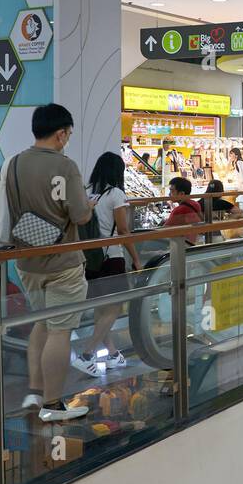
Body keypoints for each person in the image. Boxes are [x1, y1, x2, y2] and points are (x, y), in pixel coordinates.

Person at [1, 103, 93, 422]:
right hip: (62, 261)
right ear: (60, 133)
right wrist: (88, 207)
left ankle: (35, 392)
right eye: (67, 133)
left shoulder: (13, 164)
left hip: (26, 261)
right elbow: (80, 214)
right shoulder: (65, 166)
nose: (67, 138)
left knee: (41, 322)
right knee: (60, 330)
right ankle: (53, 405)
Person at [71, 152, 143, 377]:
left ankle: (112, 354)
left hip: (90, 258)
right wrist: (137, 259)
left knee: (101, 309)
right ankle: (86, 354)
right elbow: (123, 230)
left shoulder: (86, 191)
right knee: (114, 308)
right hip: (111, 257)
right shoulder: (116, 194)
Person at [162, 176, 204, 241]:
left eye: (172, 191)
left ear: (181, 194)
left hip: (182, 244)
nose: (169, 194)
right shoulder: (195, 203)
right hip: (193, 242)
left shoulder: (179, 210)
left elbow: (162, 231)